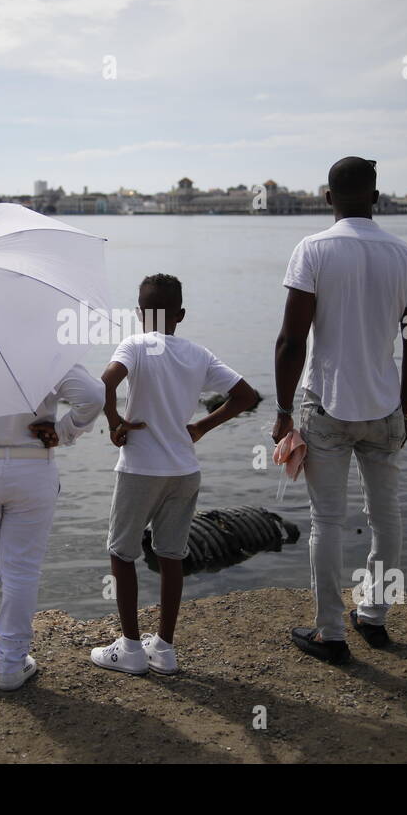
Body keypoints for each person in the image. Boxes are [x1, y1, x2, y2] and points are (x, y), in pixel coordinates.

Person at [272, 156, 407, 665]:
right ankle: (374, 616)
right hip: (385, 407)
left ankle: (329, 632)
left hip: (327, 406)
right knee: (387, 519)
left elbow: (292, 339)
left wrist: (281, 408)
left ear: (327, 197)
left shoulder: (313, 250)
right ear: (377, 197)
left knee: (327, 521)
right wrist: (403, 410)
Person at [93, 274, 259, 675]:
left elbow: (105, 383)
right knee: (172, 555)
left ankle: (131, 647)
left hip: (140, 470)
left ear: (138, 313)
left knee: (122, 553)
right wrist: (201, 427)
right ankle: (164, 649)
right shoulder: (198, 354)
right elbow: (247, 397)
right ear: (181, 315)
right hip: (185, 470)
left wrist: (115, 421)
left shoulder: (134, 344)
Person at [0, 364, 103, 690]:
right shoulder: (44, 346)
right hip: (31, 464)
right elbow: (93, 396)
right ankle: (11, 663)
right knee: (21, 569)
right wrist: (64, 432)